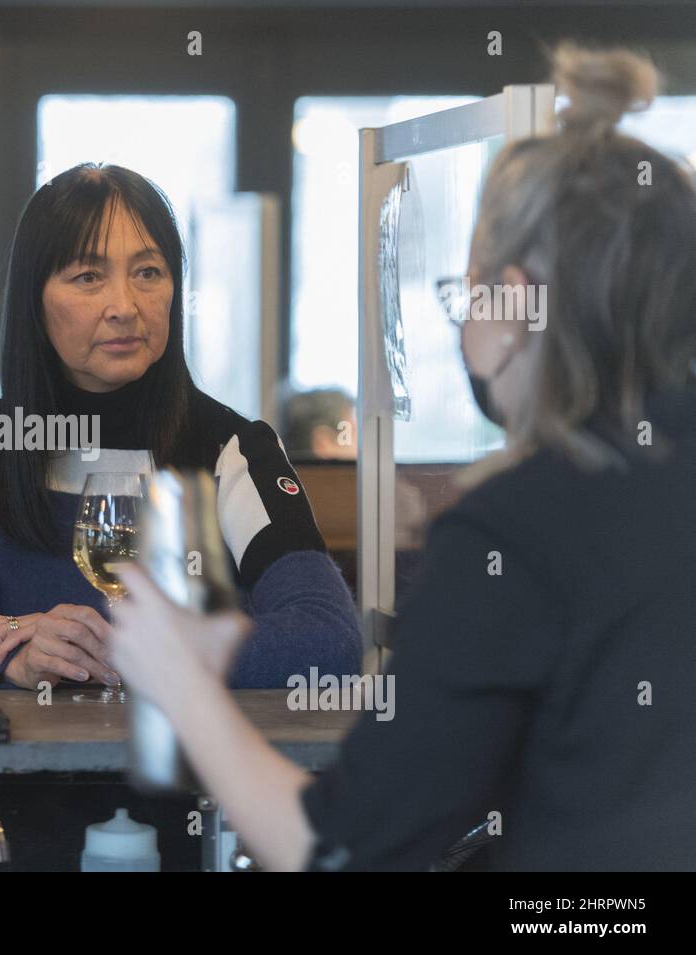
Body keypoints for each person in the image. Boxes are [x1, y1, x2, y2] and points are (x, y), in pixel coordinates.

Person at [108, 43, 696, 870]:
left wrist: (181, 686)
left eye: (465, 294)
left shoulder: (515, 532)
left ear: (516, 302)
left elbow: (338, 851)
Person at [0, 163, 362, 690]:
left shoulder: (231, 447)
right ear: (35, 300)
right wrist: (18, 655)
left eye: (147, 273)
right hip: (18, 765)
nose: (124, 307)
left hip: (186, 766)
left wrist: (139, 649)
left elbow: (330, 641)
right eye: (88, 277)